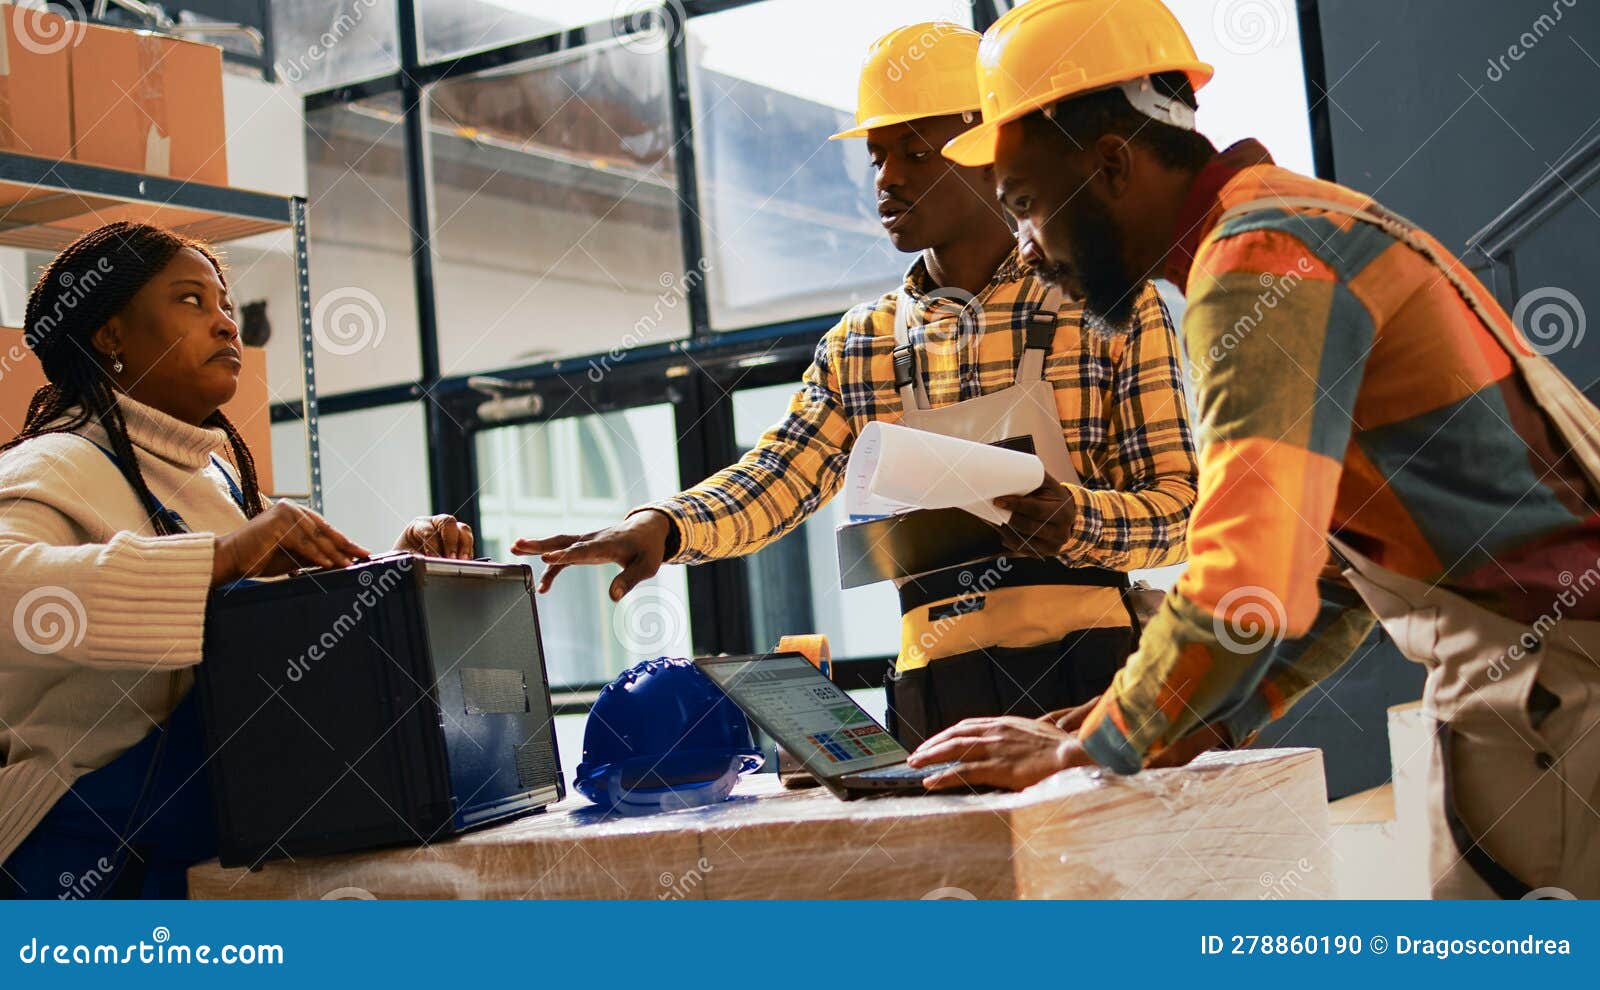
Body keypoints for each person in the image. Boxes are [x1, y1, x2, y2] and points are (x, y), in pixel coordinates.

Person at [906, 0, 1599, 899]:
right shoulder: (1293, 223)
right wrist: (1182, 724)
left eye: (1029, 205)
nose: (1029, 252)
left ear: (1111, 162)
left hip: (1553, 690)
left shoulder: (1257, 261)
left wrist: (1092, 746)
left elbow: (1245, 579)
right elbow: (1329, 588)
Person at [513, 22, 1197, 745]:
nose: (888, 179)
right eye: (876, 158)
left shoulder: (1109, 308)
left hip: (1091, 689)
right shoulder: (862, 343)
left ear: (988, 149)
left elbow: (1182, 510)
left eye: (913, 150)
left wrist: (1078, 521)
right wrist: (666, 525)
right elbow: (780, 478)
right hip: (936, 705)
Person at [0, 222, 474, 899]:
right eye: (191, 301)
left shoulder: (220, 481)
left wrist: (390, 578)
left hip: (197, 842)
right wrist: (217, 561)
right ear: (110, 335)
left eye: (225, 304)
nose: (225, 324)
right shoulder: (53, 462)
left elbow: (269, 641)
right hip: (75, 862)